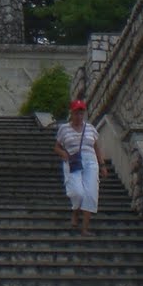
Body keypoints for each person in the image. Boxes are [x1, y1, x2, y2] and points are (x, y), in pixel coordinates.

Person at [54, 99, 107, 234]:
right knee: (77, 192)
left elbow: (96, 147)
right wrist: (64, 154)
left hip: (90, 161)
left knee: (90, 194)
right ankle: (75, 212)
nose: (79, 116)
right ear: (71, 113)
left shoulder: (90, 128)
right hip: (73, 162)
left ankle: (85, 228)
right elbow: (57, 147)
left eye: (81, 113)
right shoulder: (64, 129)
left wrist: (102, 165)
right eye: (76, 113)